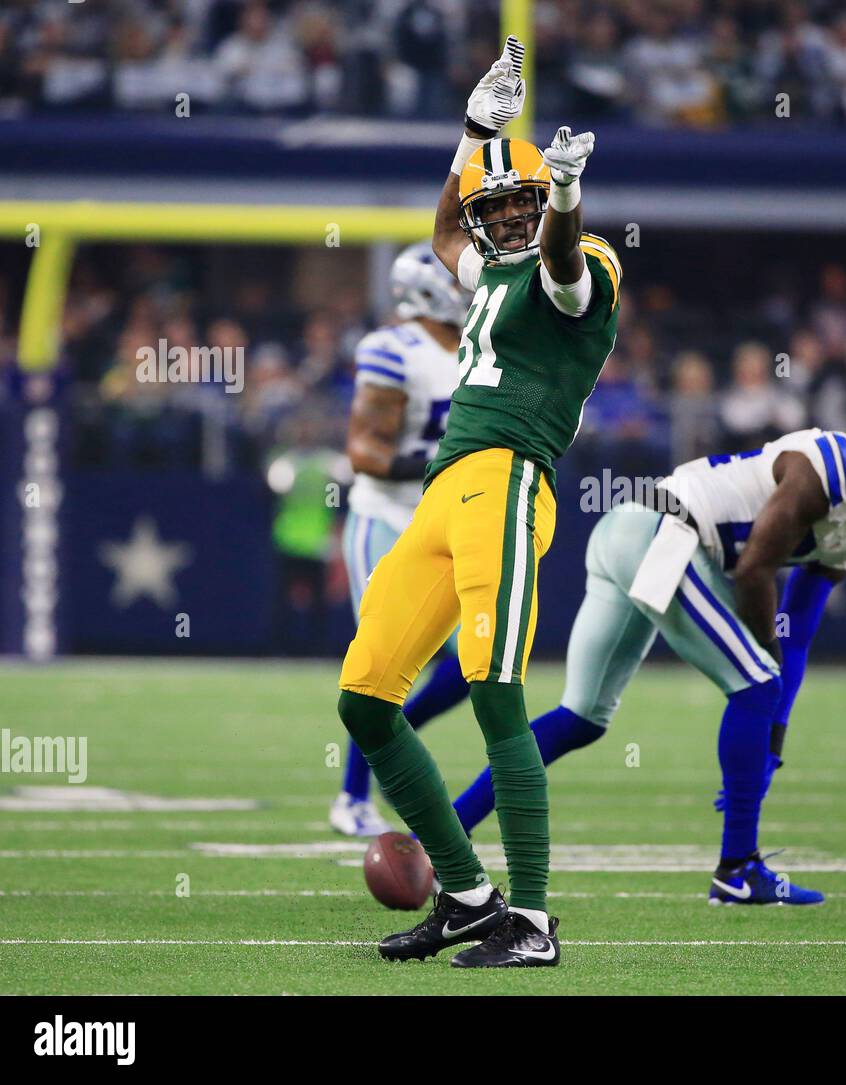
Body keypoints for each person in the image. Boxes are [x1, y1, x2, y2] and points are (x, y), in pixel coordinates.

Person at [335, 37, 622, 968]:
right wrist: (470, 134)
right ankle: (466, 895)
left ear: (544, 206)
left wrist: (566, 200)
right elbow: (444, 237)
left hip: (508, 479)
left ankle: (532, 923)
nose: (499, 220)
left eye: (517, 205)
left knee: (498, 693)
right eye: (491, 207)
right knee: (367, 700)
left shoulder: (579, 265)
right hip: (442, 491)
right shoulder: (487, 266)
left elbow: (566, 268)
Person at [450, 402, 846, 904]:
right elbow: (757, 568)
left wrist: (773, 737)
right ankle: (738, 869)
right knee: (757, 684)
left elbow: (797, 631)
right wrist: (765, 691)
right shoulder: (835, 463)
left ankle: (450, 829)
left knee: (582, 717)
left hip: (638, 533)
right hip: (664, 532)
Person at [329, 243, 468, 837]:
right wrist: (443, 461)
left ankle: (387, 744)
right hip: (386, 519)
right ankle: (352, 798)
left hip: (447, 522)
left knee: (471, 667)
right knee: (384, 665)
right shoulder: (394, 349)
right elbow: (364, 452)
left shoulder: (483, 345)